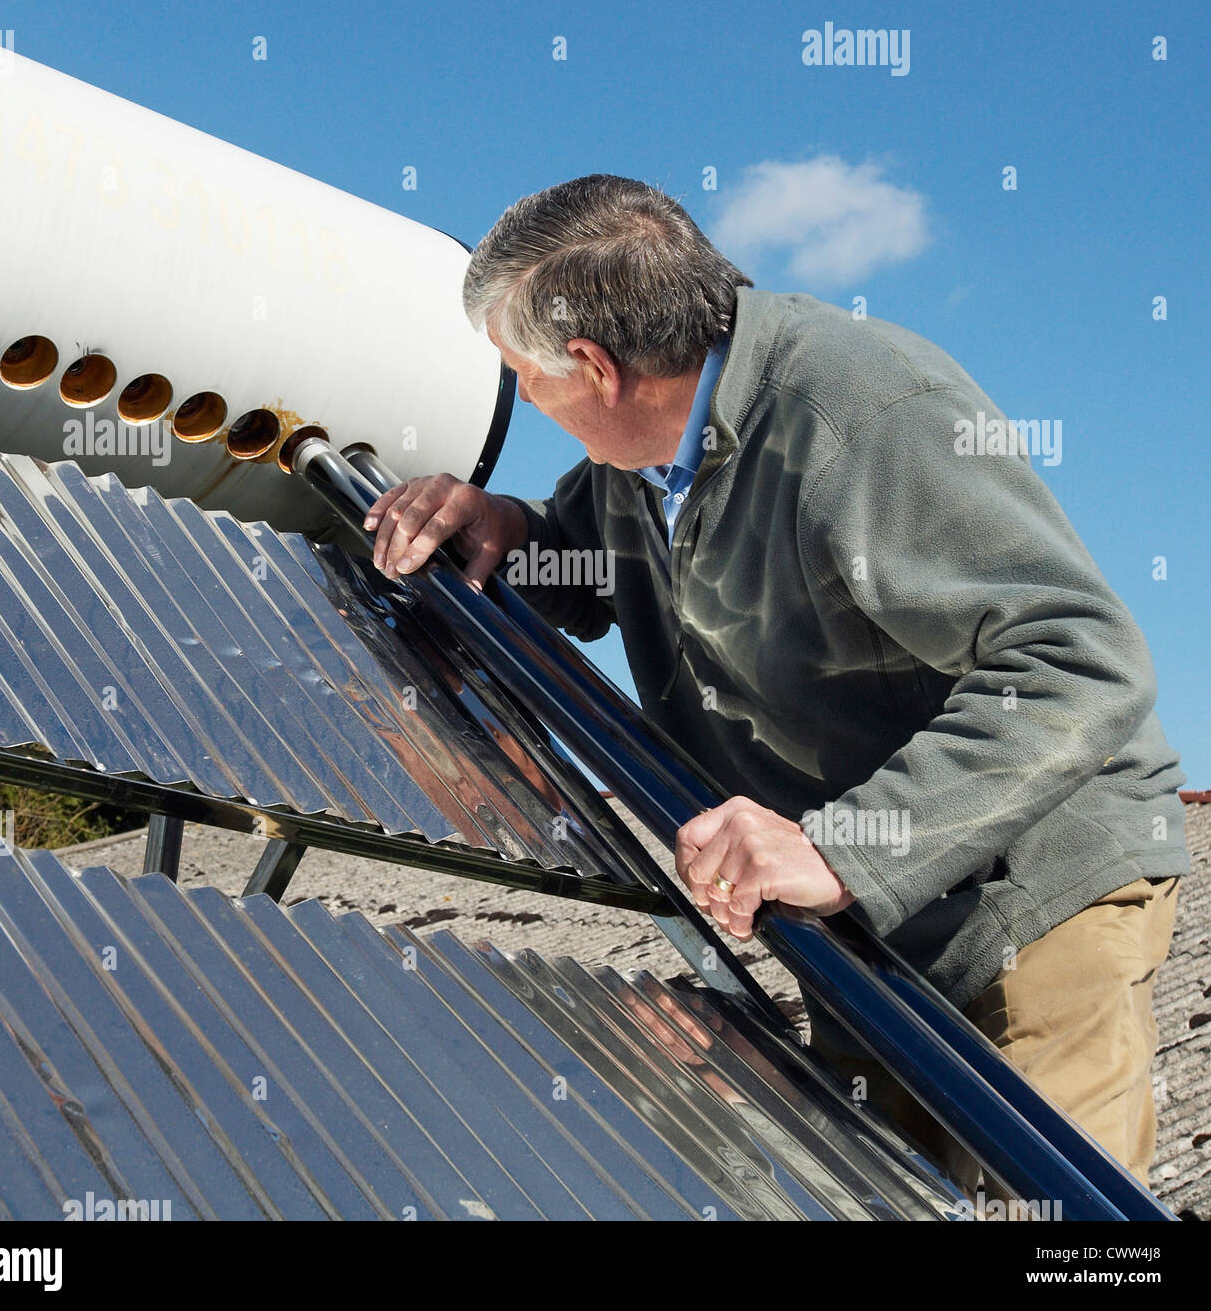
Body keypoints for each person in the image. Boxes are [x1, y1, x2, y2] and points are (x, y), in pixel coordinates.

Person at [364, 173, 1189, 1191]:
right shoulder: (646, 455)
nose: (526, 404)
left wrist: (840, 845)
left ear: (592, 365)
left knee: (1051, 1210)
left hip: (1027, 892)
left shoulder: (861, 414)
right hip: (854, 917)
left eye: (524, 379)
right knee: (872, 1192)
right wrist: (511, 532)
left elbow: (1077, 656)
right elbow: (588, 561)